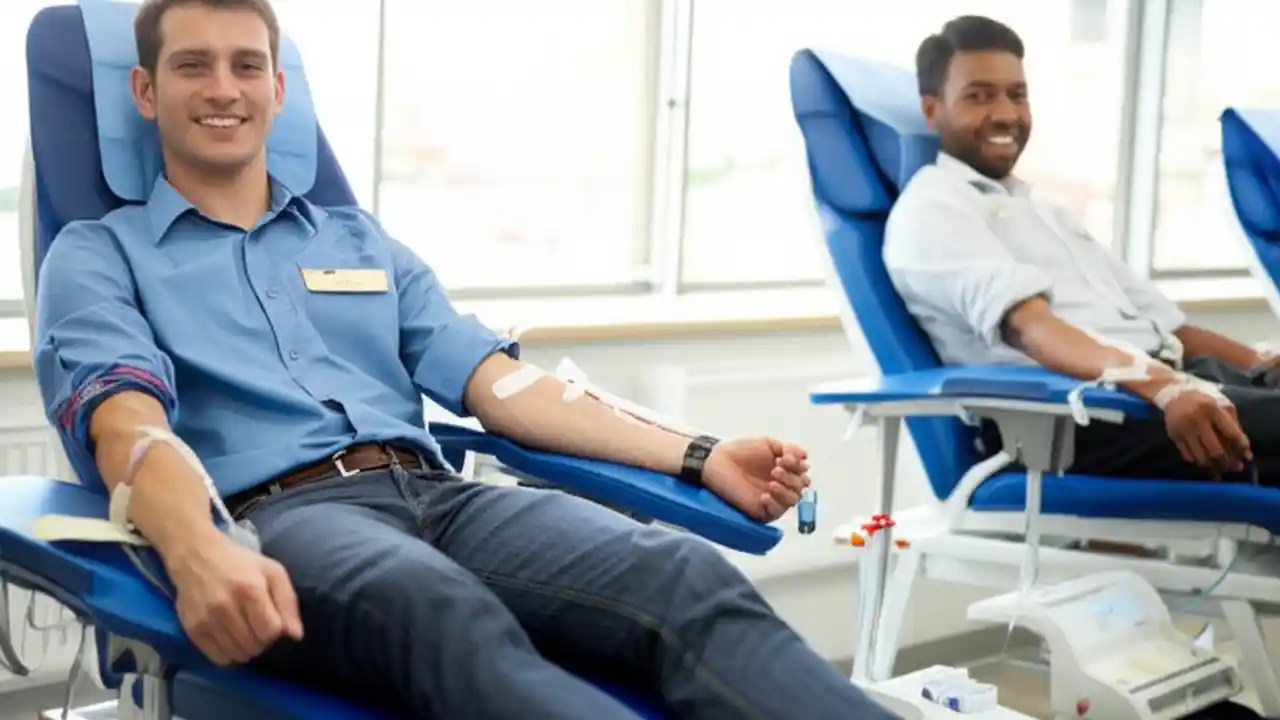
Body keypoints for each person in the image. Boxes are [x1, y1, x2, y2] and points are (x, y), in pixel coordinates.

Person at [31, 1, 897, 718]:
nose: (224, 89)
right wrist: (196, 549)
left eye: (246, 65)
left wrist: (700, 454)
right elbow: (127, 427)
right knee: (439, 611)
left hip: (442, 496)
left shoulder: (360, 242)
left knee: (680, 573)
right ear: (144, 90)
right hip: (287, 520)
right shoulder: (98, 254)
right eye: (192, 66)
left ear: (278, 87)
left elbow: (502, 386)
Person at [884, 14, 1280, 486]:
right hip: (1091, 416)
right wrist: (1167, 388)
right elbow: (1031, 328)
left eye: (1017, 94)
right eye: (979, 96)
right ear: (932, 110)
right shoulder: (933, 207)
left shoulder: (1046, 214)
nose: (1007, 114)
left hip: (1173, 383)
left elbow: (1173, 330)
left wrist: (1260, 364)